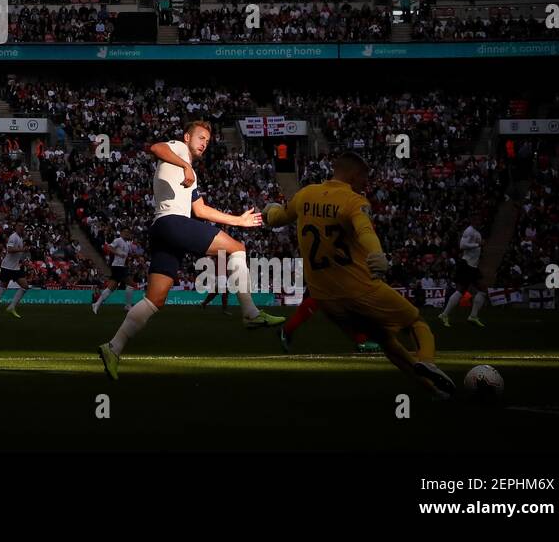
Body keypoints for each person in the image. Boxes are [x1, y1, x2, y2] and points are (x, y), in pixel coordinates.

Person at [99, 120, 282, 379]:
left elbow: (201, 210)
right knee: (237, 248)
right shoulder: (179, 150)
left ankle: (113, 347)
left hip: (162, 230)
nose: (204, 143)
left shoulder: (189, 172)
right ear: (187, 137)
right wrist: (185, 164)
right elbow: (156, 147)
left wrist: (238, 220)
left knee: (155, 300)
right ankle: (251, 313)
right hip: (173, 223)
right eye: (200, 138)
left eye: (207, 140)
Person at [264, 152, 456, 397]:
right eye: (365, 176)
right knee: (416, 322)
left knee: (387, 343)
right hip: (359, 289)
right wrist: (377, 254)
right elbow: (365, 230)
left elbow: (278, 217)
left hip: (325, 298)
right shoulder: (353, 201)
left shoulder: (305, 195)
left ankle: (433, 391)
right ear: (354, 174)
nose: (367, 182)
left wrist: (269, 212)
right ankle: (427, 361)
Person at [439, 219, 488, 328]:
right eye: (477, 219)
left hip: (473, 266)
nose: (479, 222)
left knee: (481, 290)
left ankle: (472, 316)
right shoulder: (469, 231)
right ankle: (445, 314)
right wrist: (477, 244)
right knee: (464, 291)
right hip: (466, 265)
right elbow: (462, 245)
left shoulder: (478, 233)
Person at [0, 221, 30, 319]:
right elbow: (9, 250)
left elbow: (17, 253)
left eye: (22, 226)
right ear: (16, 227)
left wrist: (21, 257)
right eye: (19, 226)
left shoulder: (20, 238)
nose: (21, 227)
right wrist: (22, 249)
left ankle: (11, 307)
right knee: (2, 289)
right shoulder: (13, 237)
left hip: (15, 267)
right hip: (7, 267)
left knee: (25, 287)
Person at [92, 227, 139, 314]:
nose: (127, 234)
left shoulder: (126, 243)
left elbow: (124, 255)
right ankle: (128, 306)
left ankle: (96, 304)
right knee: (131, 284)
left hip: (120, 267)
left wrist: (131, 257)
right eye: (125, 232)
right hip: (117, 267)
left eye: (128, 232)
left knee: (111, 288)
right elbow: (109, 247)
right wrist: (118, 253)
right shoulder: (118, 240)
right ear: (121, 233)